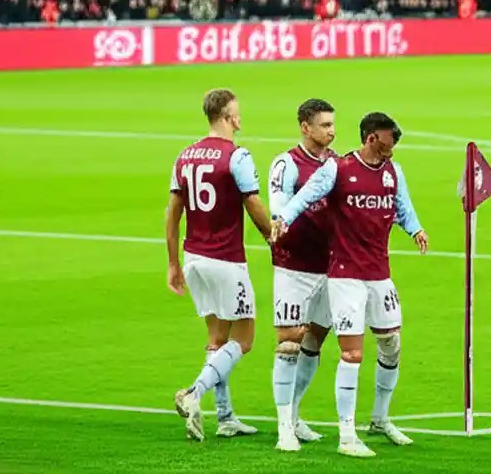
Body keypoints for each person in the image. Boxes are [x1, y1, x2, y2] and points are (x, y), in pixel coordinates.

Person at [273, 112, 429, 459]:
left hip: (379, 273)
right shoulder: (338, 169)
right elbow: (306, 196)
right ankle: (346, 435)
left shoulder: (393, 171)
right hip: (346, 277)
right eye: (391, 138)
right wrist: (284, 218)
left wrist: (416, 228)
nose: (395, 145)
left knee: (391, 344)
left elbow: (403, 207)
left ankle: (380, 419)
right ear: (373, 137)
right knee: (352, 354)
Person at [167, 89, 275, 441]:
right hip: (226, 260)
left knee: (217, 338)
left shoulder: (184, 157)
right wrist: (271, 232)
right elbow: (253, 202)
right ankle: (194, 393)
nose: (240, 119)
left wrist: (173, 263)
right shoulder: (237, 156)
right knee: (244, 339)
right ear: (229, 118)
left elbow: (172, 214)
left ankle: (225, 416)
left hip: (194, 259)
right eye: (237, 114)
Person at [267, 98, 338, 451]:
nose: (332, 131)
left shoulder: (338, 164)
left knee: (315, 341)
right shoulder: (287, 163)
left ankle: (295, 415)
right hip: (293, 265)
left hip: (330, 266)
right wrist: (282, 220)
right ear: (305, 127)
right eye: (324, 125)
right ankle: (283, 429)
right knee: (290, 341)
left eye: (332, 124)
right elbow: (279, 204)